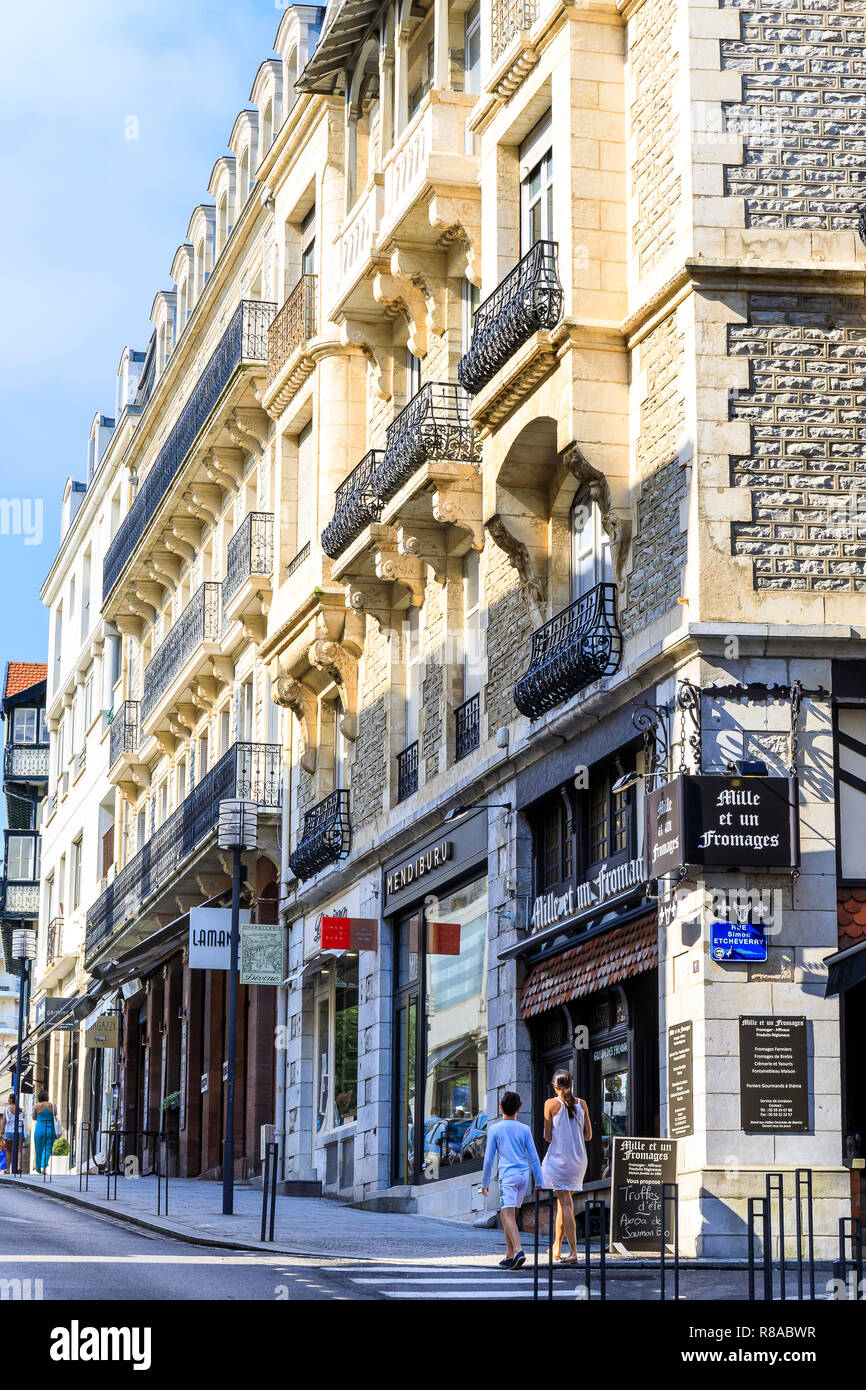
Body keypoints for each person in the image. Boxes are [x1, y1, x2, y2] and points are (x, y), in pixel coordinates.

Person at [481, 1090, 544, 1270]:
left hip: (507, 1177)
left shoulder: (495, 1129)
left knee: (506, 1215)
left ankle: (518, 1250)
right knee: (508, 1214)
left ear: (500, 1108)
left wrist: (485, 1183)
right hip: (523, 1177)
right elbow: (533, 1157)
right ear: (518, 1110)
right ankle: (509, 1255)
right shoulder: (524, 1129)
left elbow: (488, 1159)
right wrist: (539, 1181)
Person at [542, 1070, 591, 1264]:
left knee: (566, 1204)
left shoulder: (551, 1104)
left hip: (560, 1160)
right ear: (571, 1084)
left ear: (555, 1086)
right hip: (579, 1160)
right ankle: (556, 1245)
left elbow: (547, 1136)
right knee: (564, 1203)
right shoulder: (582, 1104)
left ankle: (573, 1252)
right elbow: (588, 1136)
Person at [32, 1090, 58, 1175]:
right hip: (50, 1129)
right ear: (47, 1097)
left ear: (39, 1098)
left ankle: (38, 1168)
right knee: (47, 1149)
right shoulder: (53, 1106)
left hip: (39, 1128)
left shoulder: (36, 1106)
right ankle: (44, 1168)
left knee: (38, 1148)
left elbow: (33, 1117)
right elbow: (55, 1115)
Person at [2, 1093, 26, 1174]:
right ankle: (18, 1167)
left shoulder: (7, 1109)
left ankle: (8, 1169)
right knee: (19, 1150)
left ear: (11, 1099)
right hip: (19, 1131)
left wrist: (1, 1133)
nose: (8, 1100)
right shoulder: (21, 1109)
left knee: (9, 1151)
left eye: (9, 1098)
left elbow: (4, 1122)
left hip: (9, 1132)